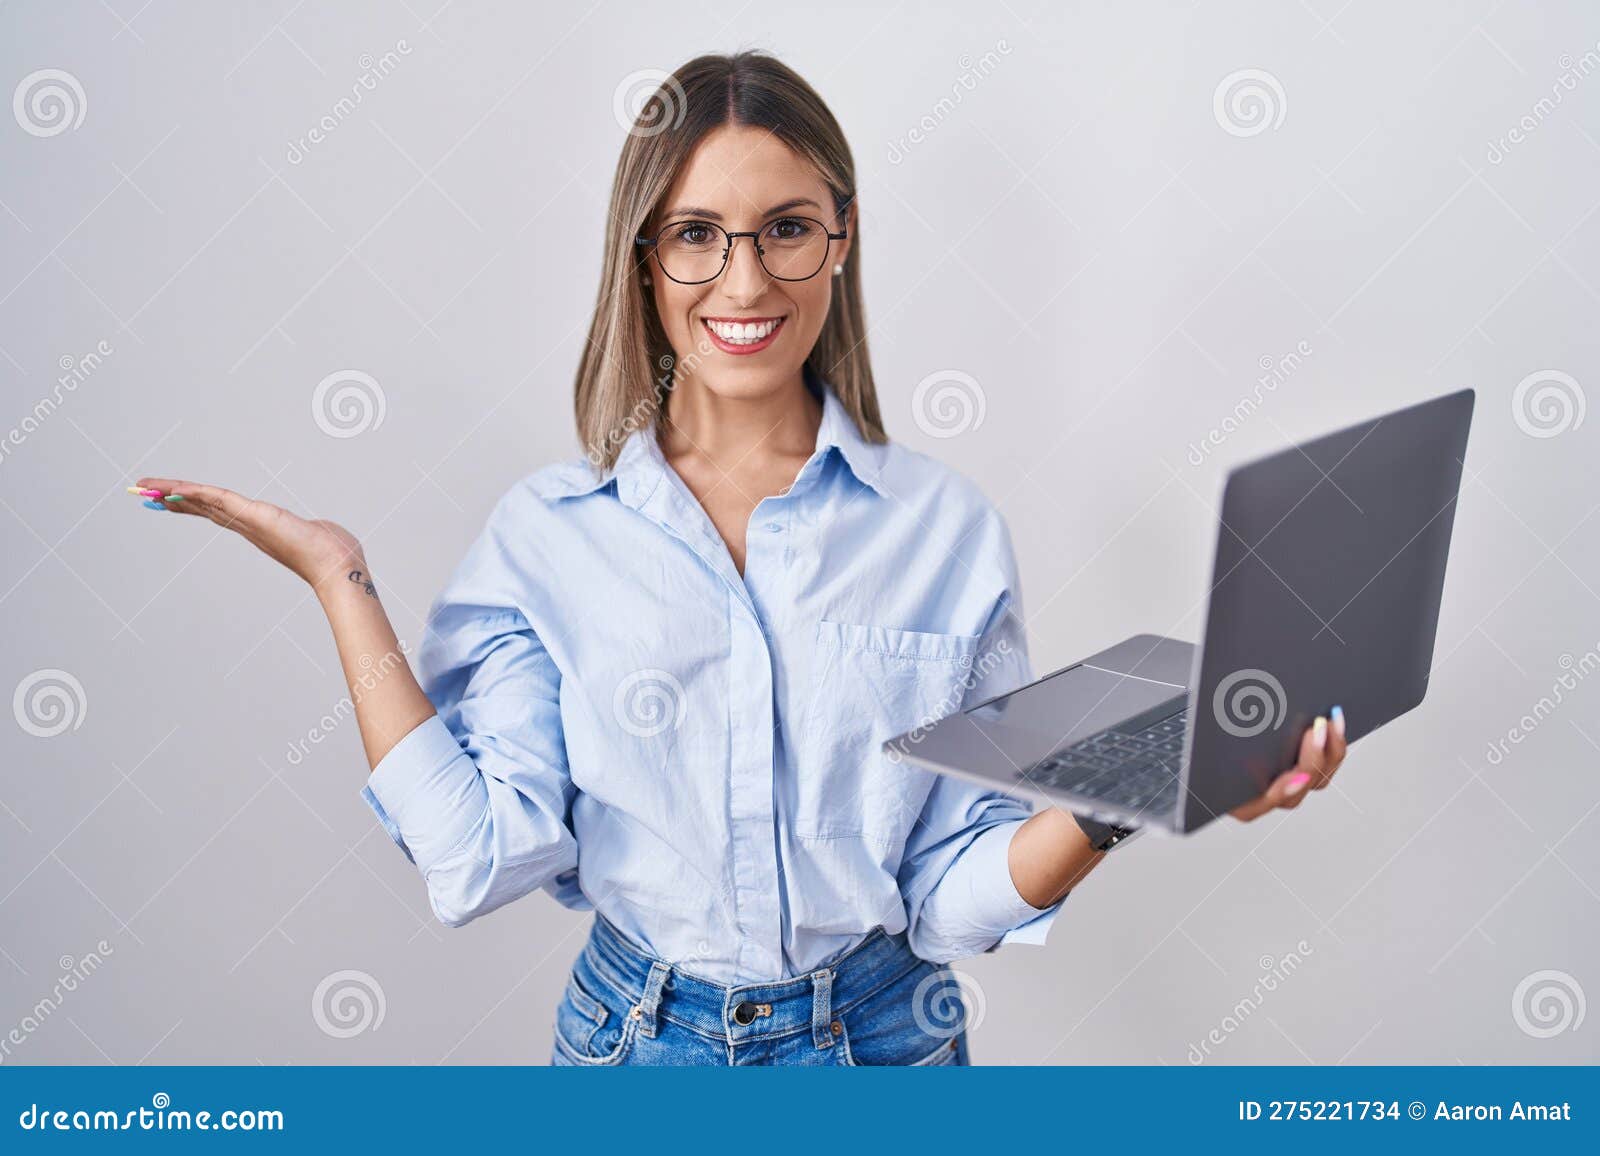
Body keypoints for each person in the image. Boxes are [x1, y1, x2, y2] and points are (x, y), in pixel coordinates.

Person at [133, 51, 1347, 1066]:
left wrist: (1119, 794)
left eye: (785, 230)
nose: (745, 280)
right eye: (697, 235)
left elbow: (948, 896)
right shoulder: (549, 537)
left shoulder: (945, 529)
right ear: (644, 256)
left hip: (891, 1044)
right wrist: (339, 578)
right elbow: (473, 857)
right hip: (634, 1052)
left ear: (841, 238)